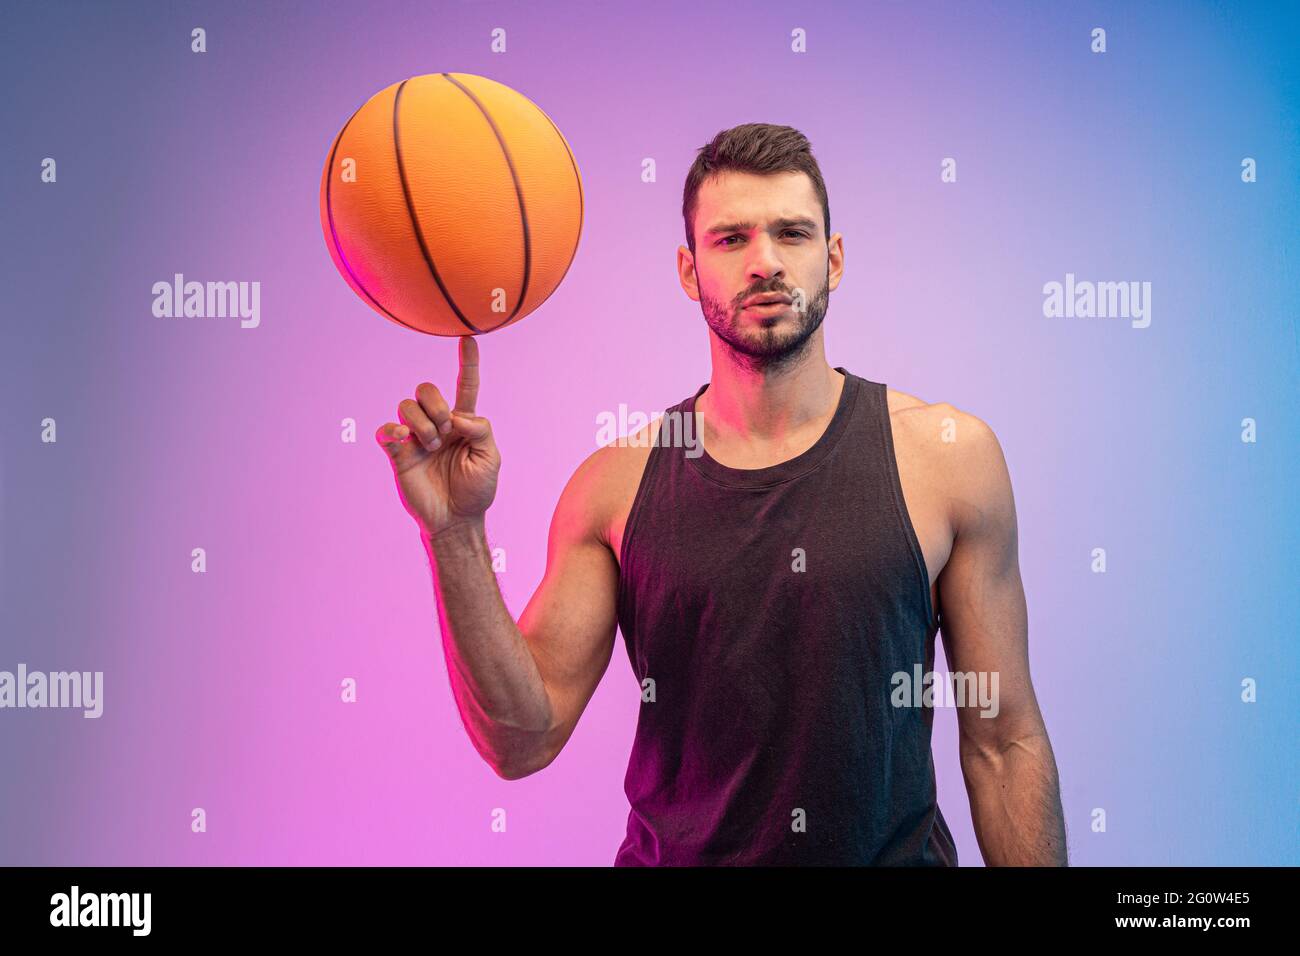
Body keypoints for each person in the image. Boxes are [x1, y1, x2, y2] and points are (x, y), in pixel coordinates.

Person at [376, 123, 1067, 866]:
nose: (765, 262)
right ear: (688, 269)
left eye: (792, 234)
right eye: (731, 239)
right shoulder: (616, 485)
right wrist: (455, 533)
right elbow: (521, 739)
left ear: (832, 259)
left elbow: (1004, 741)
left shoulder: (948, 460)